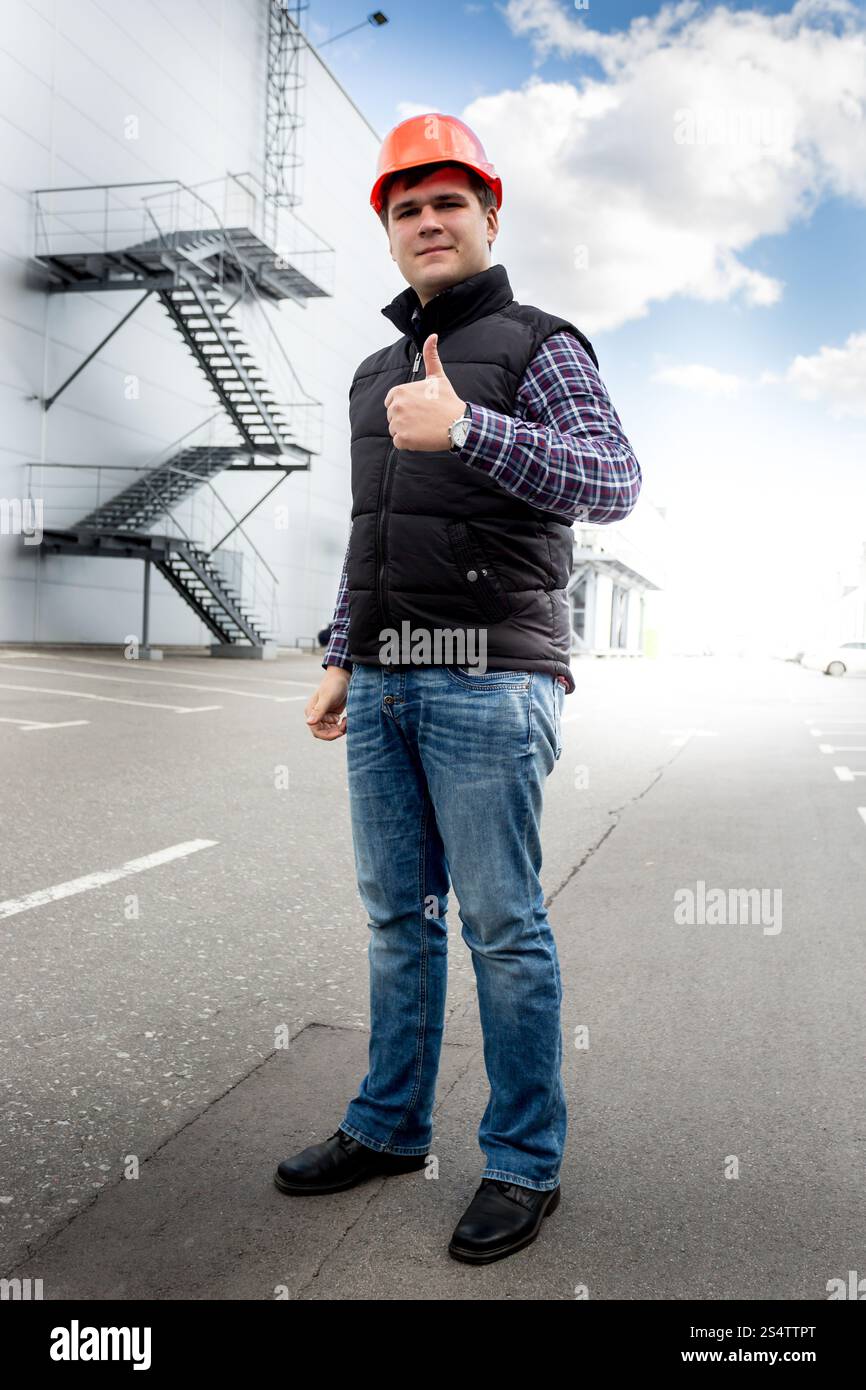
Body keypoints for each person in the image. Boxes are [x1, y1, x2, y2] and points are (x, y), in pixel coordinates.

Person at [275, 113, 642, 1265]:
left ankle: (523, 1161)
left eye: (447, 204)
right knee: (396, 918)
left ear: (488, 216)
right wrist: (343, 650)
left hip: (491, 679)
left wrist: (470, 427)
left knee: (501, 926)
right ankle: (388, 1126)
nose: (426, 222)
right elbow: (368, 534)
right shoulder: (371, 375)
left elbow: (612, 479)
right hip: (385, 682)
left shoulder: (540, 347)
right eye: (404, 209)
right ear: (386, 232)